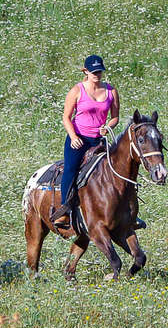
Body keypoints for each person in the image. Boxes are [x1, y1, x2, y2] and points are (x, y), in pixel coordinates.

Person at [51, 55, 122, 230]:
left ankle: (126, 211)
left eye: (99, 71)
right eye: (93, 71)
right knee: (71, 168)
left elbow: (115, 117)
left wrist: (108, 126)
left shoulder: (111, 91)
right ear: (86, 71)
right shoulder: (77, 90)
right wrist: (73, 137)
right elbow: (66, 117)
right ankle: (64, 210)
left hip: (99, 139)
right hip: (79, 138)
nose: (97, 74)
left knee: (116, 169)